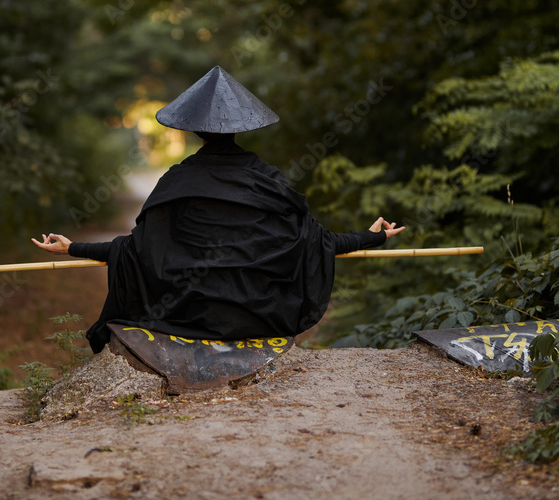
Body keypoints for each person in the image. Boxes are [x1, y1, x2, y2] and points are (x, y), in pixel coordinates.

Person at [31, 66, 404, 352]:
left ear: (194, 130)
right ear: (242, 128)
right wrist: (372, 237)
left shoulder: (178, 181)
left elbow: (138, 250)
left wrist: (72, 247)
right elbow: (313, 243)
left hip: (190, 316)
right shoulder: (268, 180)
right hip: (259, 317)